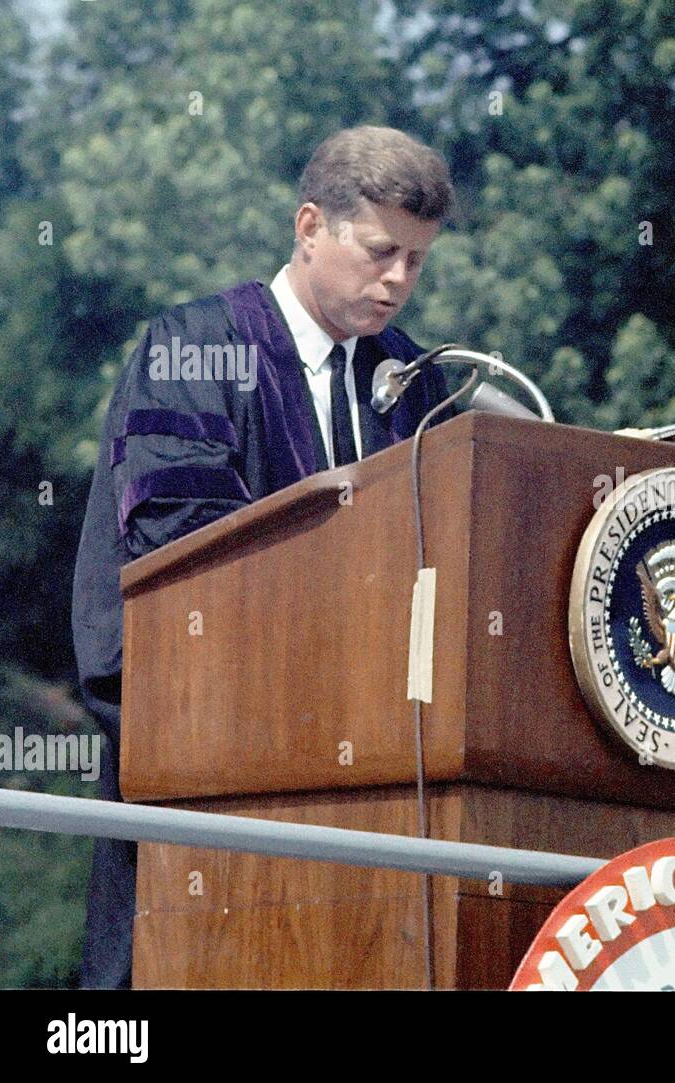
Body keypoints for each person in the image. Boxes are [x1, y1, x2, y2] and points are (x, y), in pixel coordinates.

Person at [70, 125, 457, 988]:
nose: (398, 280)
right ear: (309, 225)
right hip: (207, 793)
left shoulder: (413, 380)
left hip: (375, 805)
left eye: (418, 260)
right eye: (381, 250)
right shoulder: (196, 350)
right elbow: (182, 574)